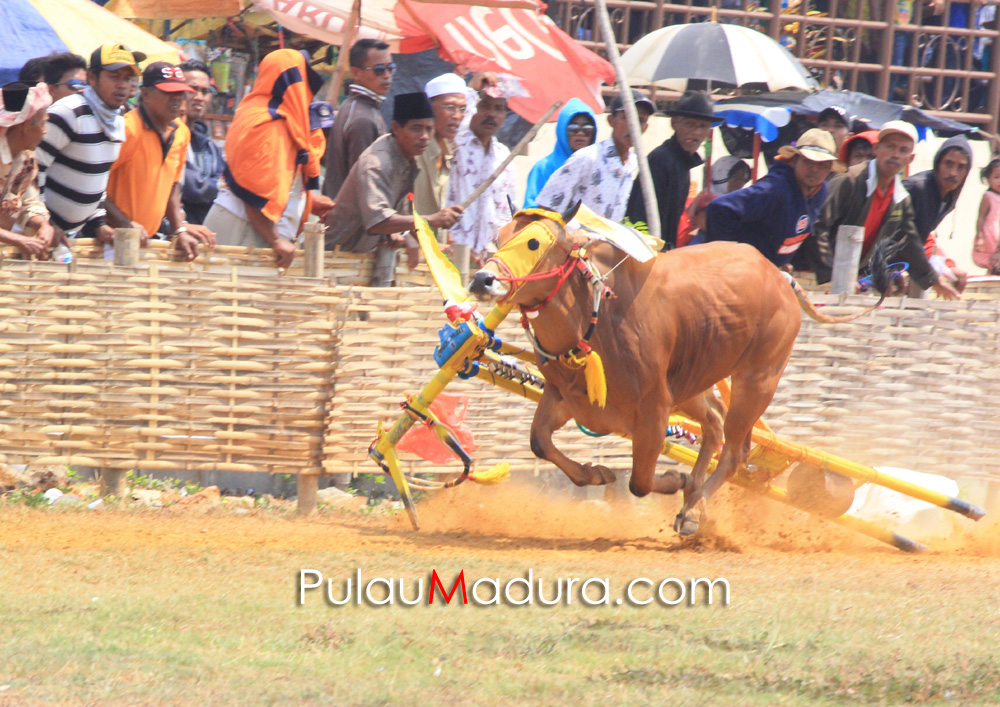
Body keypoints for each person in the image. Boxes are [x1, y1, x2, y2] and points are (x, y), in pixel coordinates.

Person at [205, 49, 333, 270]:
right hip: (244, 226)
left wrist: (309, 204)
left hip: (246, 223)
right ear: (293, 79)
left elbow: (273, 182)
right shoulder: (271, 123)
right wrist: (275, 239)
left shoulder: (259, 110)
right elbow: (254, 193)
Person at [324, 92, 464, 285]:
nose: (424, 136)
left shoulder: (408, 160)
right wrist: (431, 220)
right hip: (331, 259)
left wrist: (429, 244)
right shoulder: (377, 163)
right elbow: (377, 220)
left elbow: (402, 212)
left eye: (429, 129)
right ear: (396, 128)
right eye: (416, 129)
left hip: (359, 260)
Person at [812, 120, 959, 298]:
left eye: (903, 150)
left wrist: (933, 281)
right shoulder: (849, 181)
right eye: (890, 147)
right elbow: (818, 226)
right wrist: (831, 275)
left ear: (910, 158)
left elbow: (910, 243)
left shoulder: (900, 198)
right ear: (877, 150)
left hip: (852, 278)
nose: (895, 155)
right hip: (814, 274)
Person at [104, 62, 214, 260]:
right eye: (168, 93)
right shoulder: (127, 129)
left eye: (180, 93)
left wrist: (178, 229)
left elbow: (173, 186)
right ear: (145, 94)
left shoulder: (181, 132)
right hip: (110, 238)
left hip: (149, 239)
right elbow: (94, 185)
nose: (176, 99)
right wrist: (124, 223)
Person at [37, 43, 144, 245]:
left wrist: (98, 223)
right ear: (93, 79)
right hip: (38, 235)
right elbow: (32, 170)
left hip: (70, 238)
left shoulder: (118, 119)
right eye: (114, 77)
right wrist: (45, 223)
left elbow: (96, 180)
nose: (122, 85)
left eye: (128, 78)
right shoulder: (69, 112)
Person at [706, 129, 844, 267]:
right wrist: (726, 260)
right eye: (808, 161)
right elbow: (719, 208)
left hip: (770, 272)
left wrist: (780, 262)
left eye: (822, 165)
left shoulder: (821, 190)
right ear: (794, 160)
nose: (814, 169)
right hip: (745, 270)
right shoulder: (774, 189)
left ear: (830, 168)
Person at [535, 91, 654, 222]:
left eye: (641, 120)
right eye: (627, 118)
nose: (633, 126)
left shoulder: (633, 164)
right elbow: (546, 210)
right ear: (611, 120)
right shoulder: (586, 158)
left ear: (646, 127)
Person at [625, 90, 716, 249]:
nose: (696, 132)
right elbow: (641, 218)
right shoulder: (661, 160)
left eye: (703, 126)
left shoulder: (683, 164)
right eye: (690, 124)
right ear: (675, 123)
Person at [446, 89, 516, 264]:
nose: (491, 114)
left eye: (498, 108)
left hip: (485, 262)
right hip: (450, 253)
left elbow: (507, 212)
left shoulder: (503, 155)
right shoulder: (454, 144)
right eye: (484, 106)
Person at [322, 39, 393, 202]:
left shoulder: (355, 108)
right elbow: (365, 186)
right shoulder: (363, 119)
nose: (387, 76)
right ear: (355, 73)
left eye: (391, 68)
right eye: (379, 69)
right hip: (353, 223)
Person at [902, 135, 972, 290]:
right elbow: (904, 236)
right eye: (948, 164)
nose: (953, 172)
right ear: (937, 164)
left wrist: (946, 265)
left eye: (961, 167)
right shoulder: (918, 189)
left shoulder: (948, 195)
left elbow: (922, 236)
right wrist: (931, 279)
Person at [0, 81, 55, 258]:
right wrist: (19, 240)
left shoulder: (27, 161)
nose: (45, 131)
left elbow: (29, 201)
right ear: (25, 125)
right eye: (43, 123)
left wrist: (43, 225)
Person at [414, 73, 467, 242]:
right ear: (429, 108)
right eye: (450, 108)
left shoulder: (448, 152)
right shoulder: (414, 149)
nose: (457, 116)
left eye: (462, 109)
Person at [523, 98, 596, 208]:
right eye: (573, 129)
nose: (580, 134)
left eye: (587, 129)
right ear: (562, 130)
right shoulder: (543, 167)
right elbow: (530, 209)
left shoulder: (597, 167)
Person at [178, 60, 225, 225]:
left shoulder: (209, 146)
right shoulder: (168, 136)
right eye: (192, 89)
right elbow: (194, 189)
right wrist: (219, 187)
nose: (199, 97)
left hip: (203, 237)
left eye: (205, 91)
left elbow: (221, 181)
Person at [973, 157, 1000, 274]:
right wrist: (980, 237)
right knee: (993, 263)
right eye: (997, 177)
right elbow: (981, 217)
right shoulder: (988, 196)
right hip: (990, 234)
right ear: (988, 179)